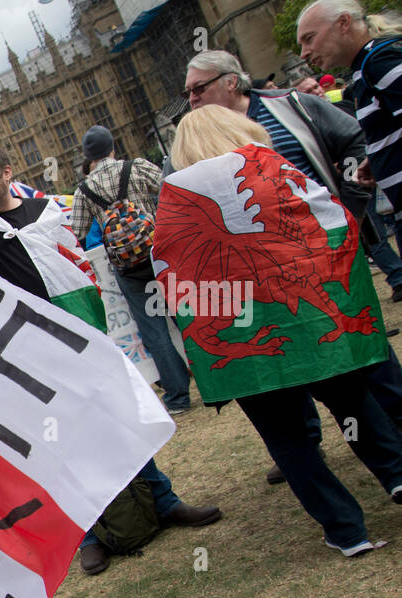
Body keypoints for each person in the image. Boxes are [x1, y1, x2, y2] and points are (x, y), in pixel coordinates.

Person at [0, 85, 222, 576]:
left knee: (116, 425)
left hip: (82, 339)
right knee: (60, 445)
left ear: (7, 174)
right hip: (27, 355)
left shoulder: (51, 211)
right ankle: (89, 536)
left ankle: (165, 500)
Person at [157, 105, 402, 555]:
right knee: (353, 404)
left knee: (288, 440)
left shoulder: (174, 194)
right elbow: (330, 220)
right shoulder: (266, 165)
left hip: (249, 338)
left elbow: (172, 275)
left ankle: (346, 531)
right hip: (306, 323)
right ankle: (396, 474)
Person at [181, 47, 402, 486]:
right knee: (288, 359)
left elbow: (354, 140)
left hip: (323, 260)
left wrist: (349, 210)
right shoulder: (191, 143)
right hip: (260, 281)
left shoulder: (293, 107)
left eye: (198, 89)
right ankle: (301, 447)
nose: (191, 99)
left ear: (230, 81)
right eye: (187, 92)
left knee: (365, 354)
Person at [71, 125, 192, 414]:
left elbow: (76, 231)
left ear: (89, 156)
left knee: (155, 330)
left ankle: (178, 396)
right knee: (186, 316)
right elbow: (172, 190)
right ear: (112, 147)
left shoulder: (85, 189)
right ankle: (213, 376)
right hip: (161, 252)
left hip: (128, 266)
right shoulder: (135, 166)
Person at [299, 1, 402, 211]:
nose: (304, 53)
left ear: (343, 23)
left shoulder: (379, 63)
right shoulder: (366, 68)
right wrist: (378, 158)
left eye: (309, 38)